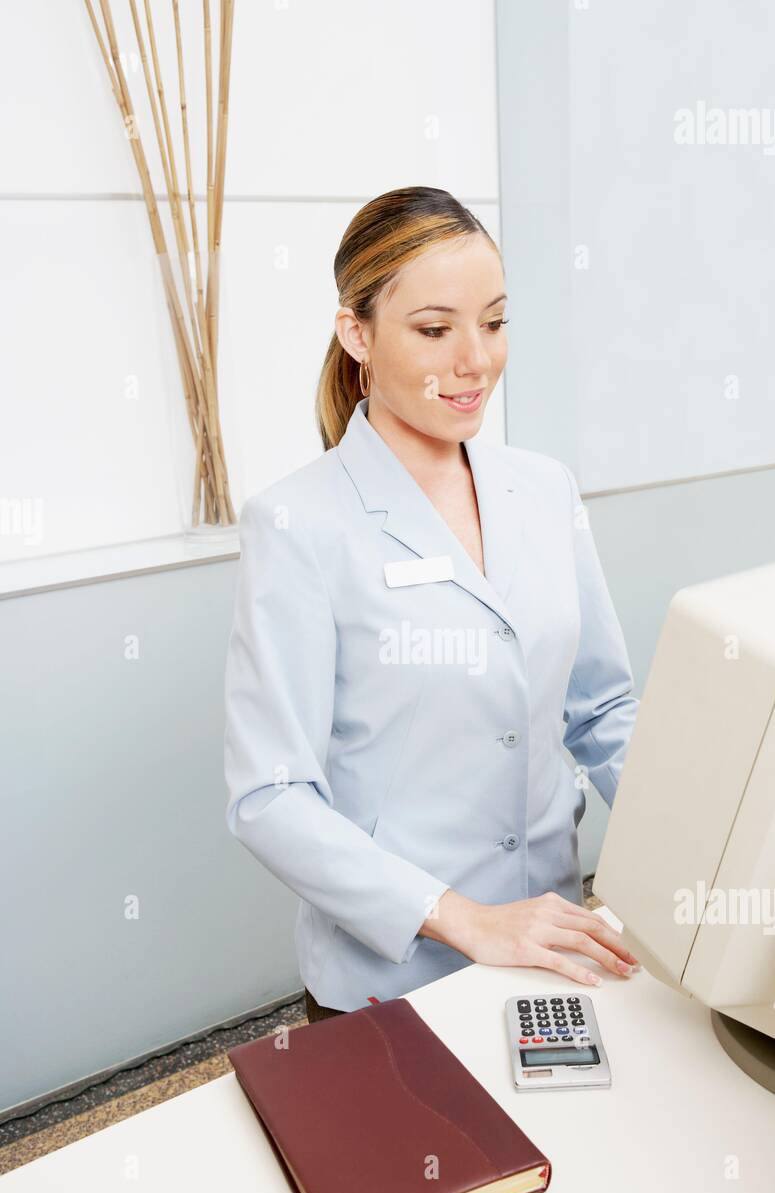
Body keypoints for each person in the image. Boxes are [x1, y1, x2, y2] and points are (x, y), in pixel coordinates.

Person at [224, 186, 641, 1025]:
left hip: (553, 945)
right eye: (433, 328)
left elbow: (602, 709)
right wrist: (469, 921)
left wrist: (701, 848)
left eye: (493, 322)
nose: (475, 360)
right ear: (356, 336)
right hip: (394, 978)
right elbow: (269, 796)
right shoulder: (300, 524)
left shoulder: (544, 489)